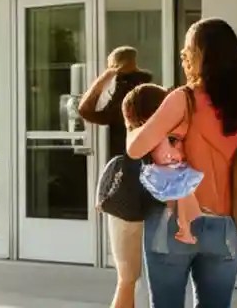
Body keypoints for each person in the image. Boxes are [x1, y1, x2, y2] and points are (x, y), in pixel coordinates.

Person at [127, 19, 237, 308]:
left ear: (205, 57)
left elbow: (136, 149)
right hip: (224, 228)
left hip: (172, 224)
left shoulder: (183, 100)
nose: (183, 59)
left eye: (188, 52)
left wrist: (131, 125)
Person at [78, 46, 153, 308]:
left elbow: (85, 109)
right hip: (154, 183)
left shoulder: (124, 96)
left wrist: (104, 78)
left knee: (126, 275)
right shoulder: (152, 92)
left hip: (126, 188)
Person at [124, 85, 204, 245]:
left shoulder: (150, 136)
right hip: (170, 177)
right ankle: (185, 226)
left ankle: (185, 226)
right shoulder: (161, 132)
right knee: (180, 185)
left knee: (179, 185)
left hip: (164, 193)